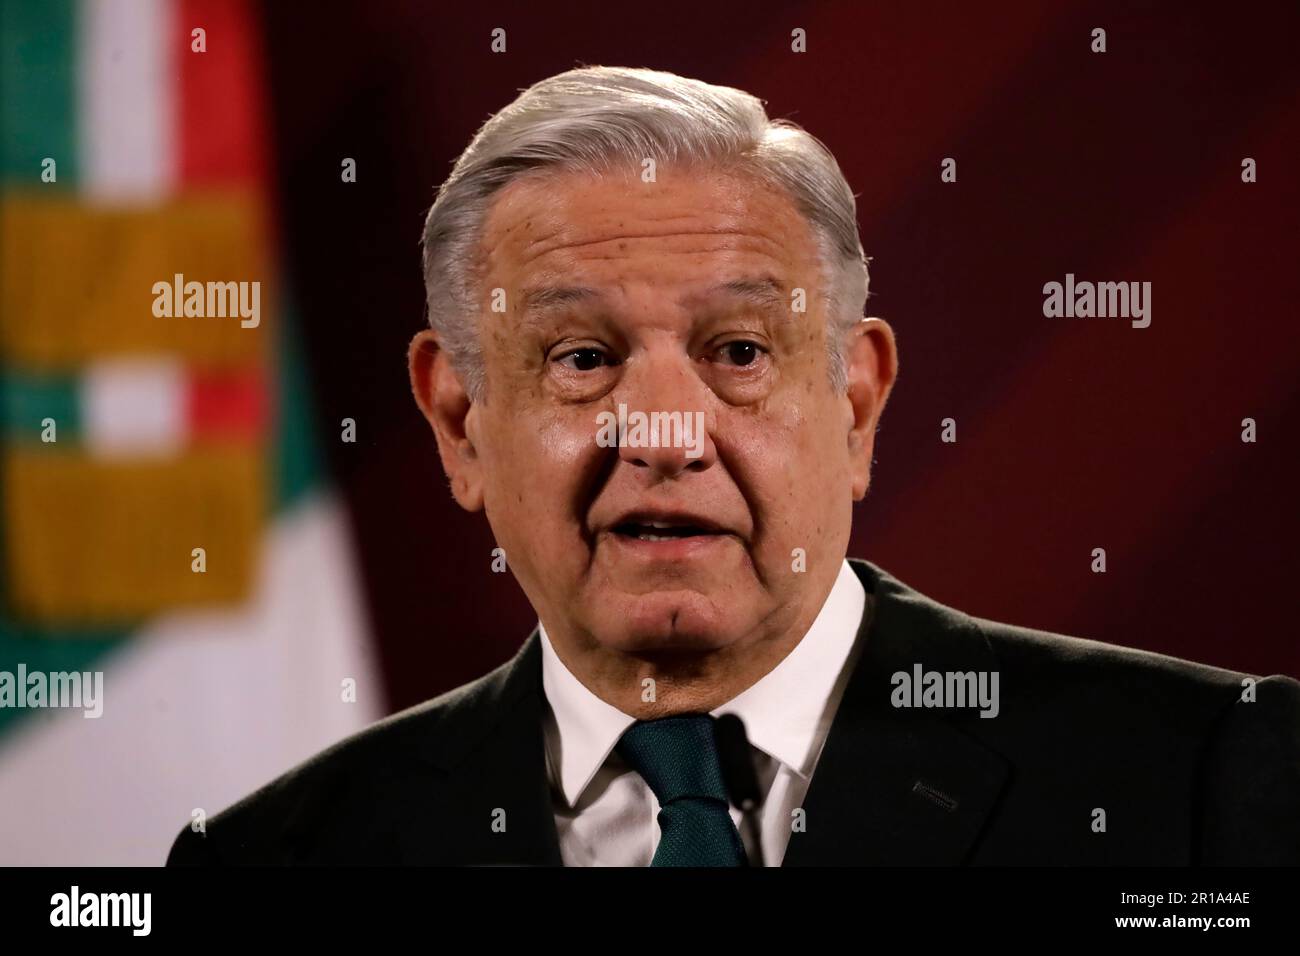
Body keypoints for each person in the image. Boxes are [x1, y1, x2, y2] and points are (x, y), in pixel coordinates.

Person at [168, 66, 1300, 866]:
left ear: (854, 403)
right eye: (580, 357)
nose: (664, 432)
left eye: (741, 352)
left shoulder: (1215, 784)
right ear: (459, 421)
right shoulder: (272, 858)